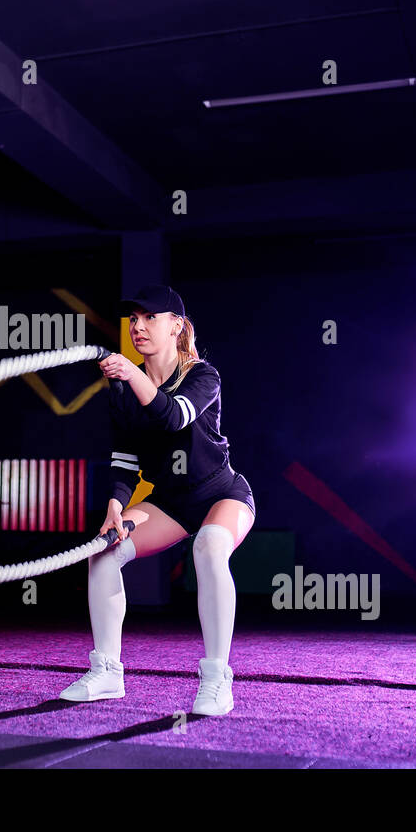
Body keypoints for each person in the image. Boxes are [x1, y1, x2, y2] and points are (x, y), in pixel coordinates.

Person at [59, 285, 255, 715]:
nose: (138, 326)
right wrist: (115, 503)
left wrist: (131, 373)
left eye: (150, 317)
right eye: (133, 319)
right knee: (103, 553)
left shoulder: (204, 376)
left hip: (222, 494)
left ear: (177, 326)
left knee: (208, 547)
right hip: (170, 502)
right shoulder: (124, 388)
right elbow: (125, 459)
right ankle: (108, 672)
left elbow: (174, 416)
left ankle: (217, 679)